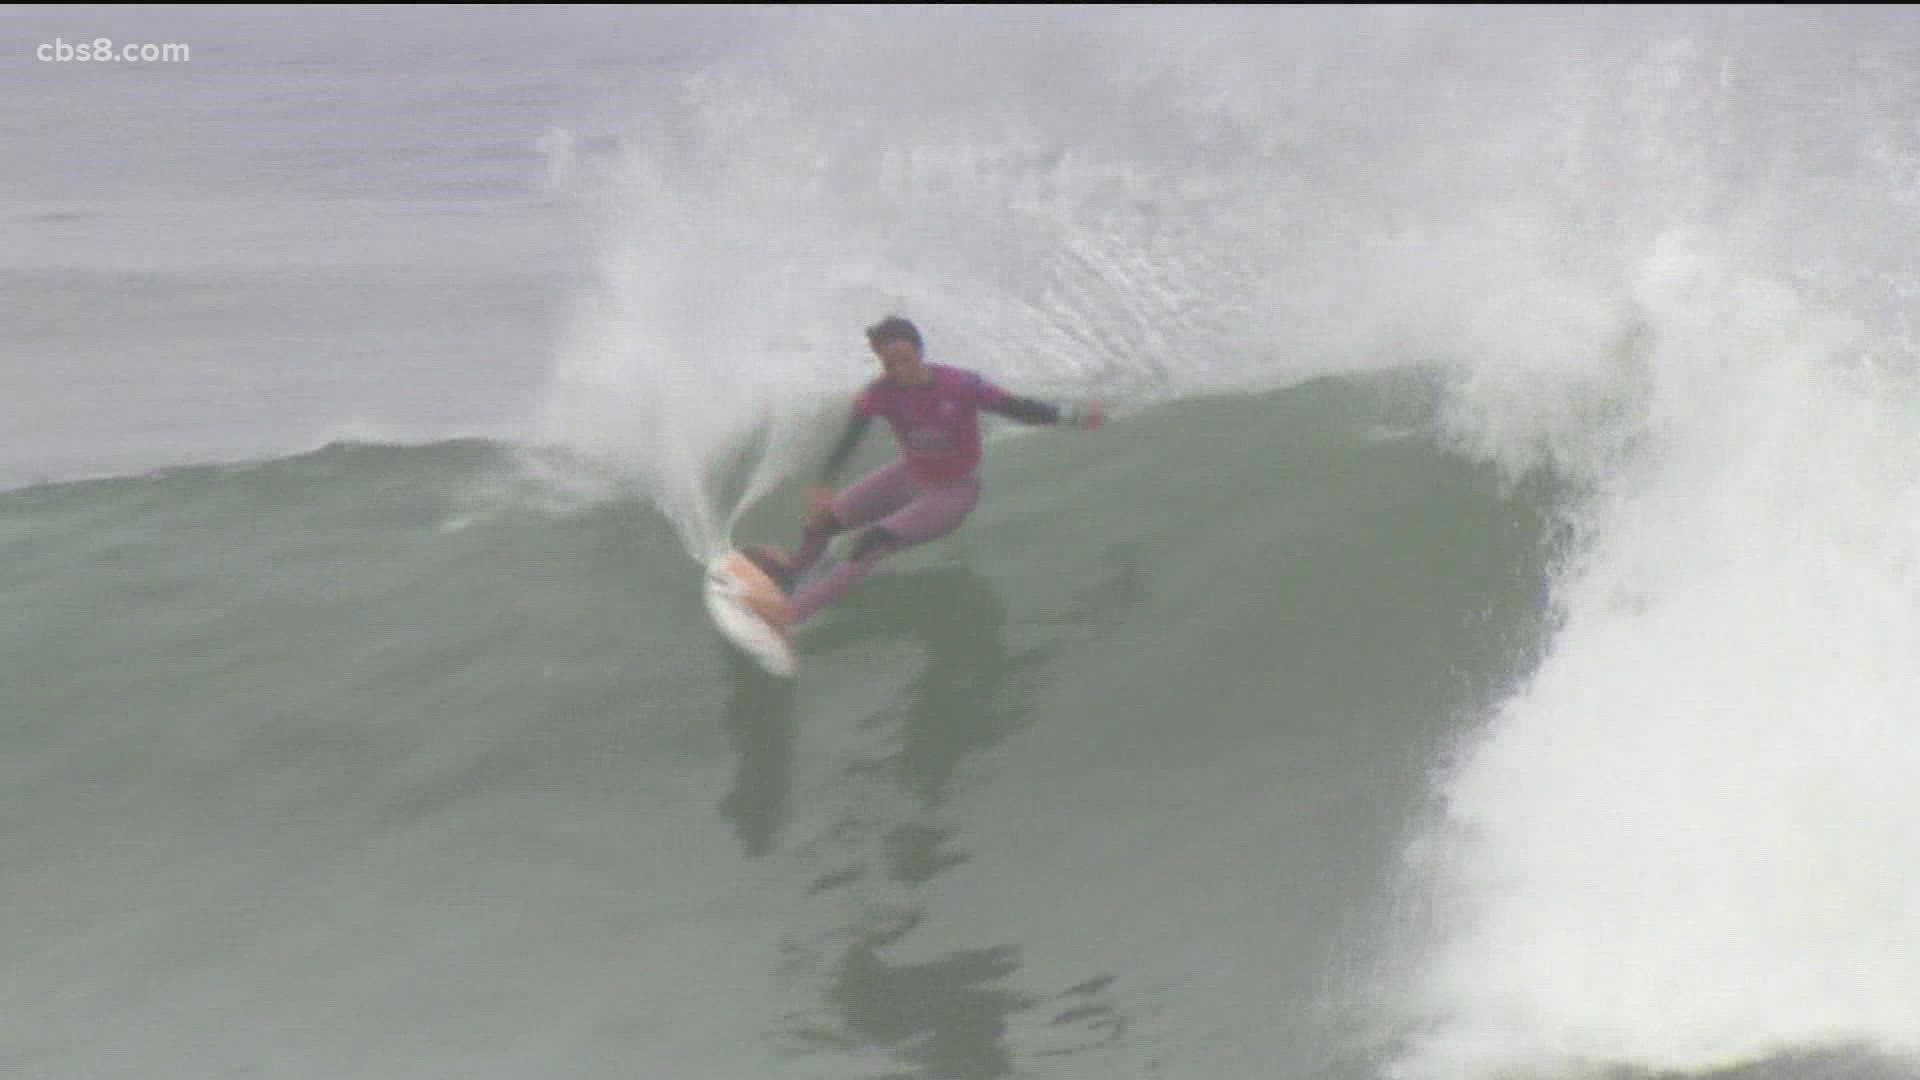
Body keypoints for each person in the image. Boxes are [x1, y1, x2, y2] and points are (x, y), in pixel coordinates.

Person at [743, 316, 1104, 636]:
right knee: (821, 523)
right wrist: (825, 483)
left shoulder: (961, 385)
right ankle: (793, 573)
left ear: (920, 351)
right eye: (890, 364)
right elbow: (851, 436)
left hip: (950, 493)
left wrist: (1075, 417)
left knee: (872, 543)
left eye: (906, 359)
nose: (900, 370)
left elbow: (1018, 408)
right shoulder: (879, 393)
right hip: (907, 476)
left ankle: (792, 614)